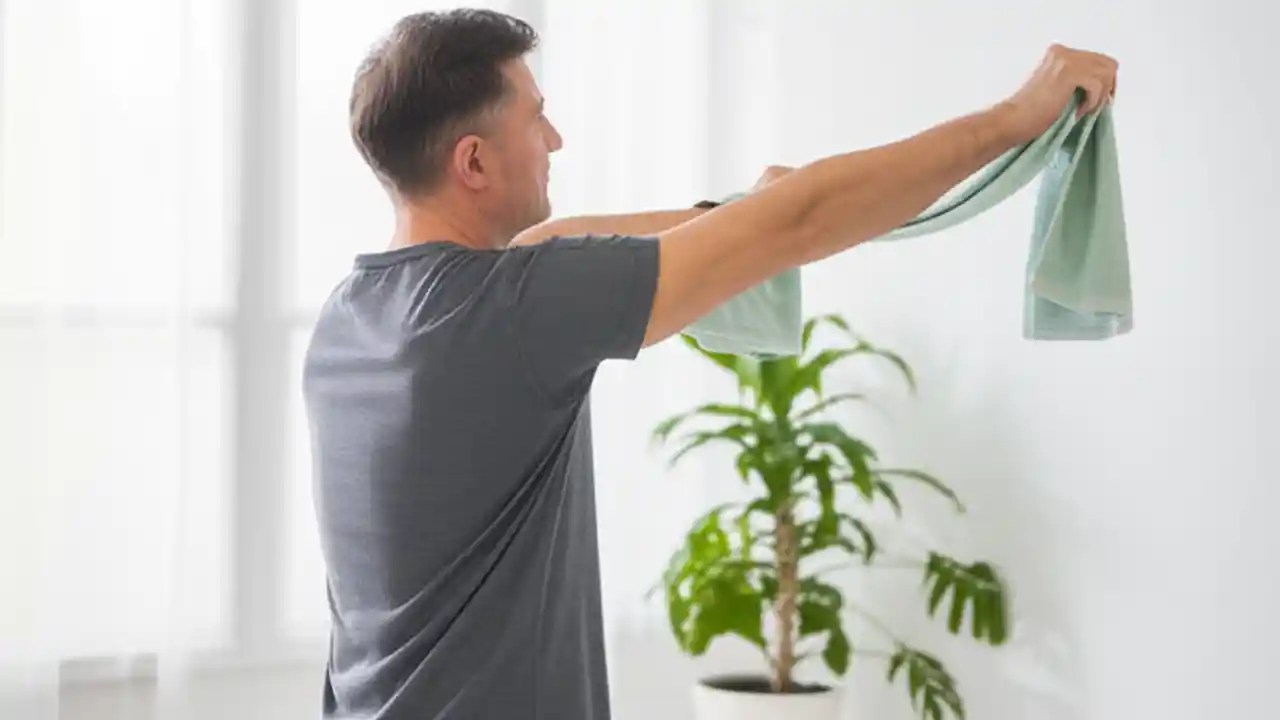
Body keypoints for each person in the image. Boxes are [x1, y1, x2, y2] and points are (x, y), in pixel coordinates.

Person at [301, 8, 1118, 719]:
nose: (555, 139)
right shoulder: (515, 312)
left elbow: (551, 245)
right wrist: (1016, 117)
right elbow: (802, 223)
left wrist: (730, 213)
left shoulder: (351, 318)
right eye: (535, 118)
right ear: (474, 163)